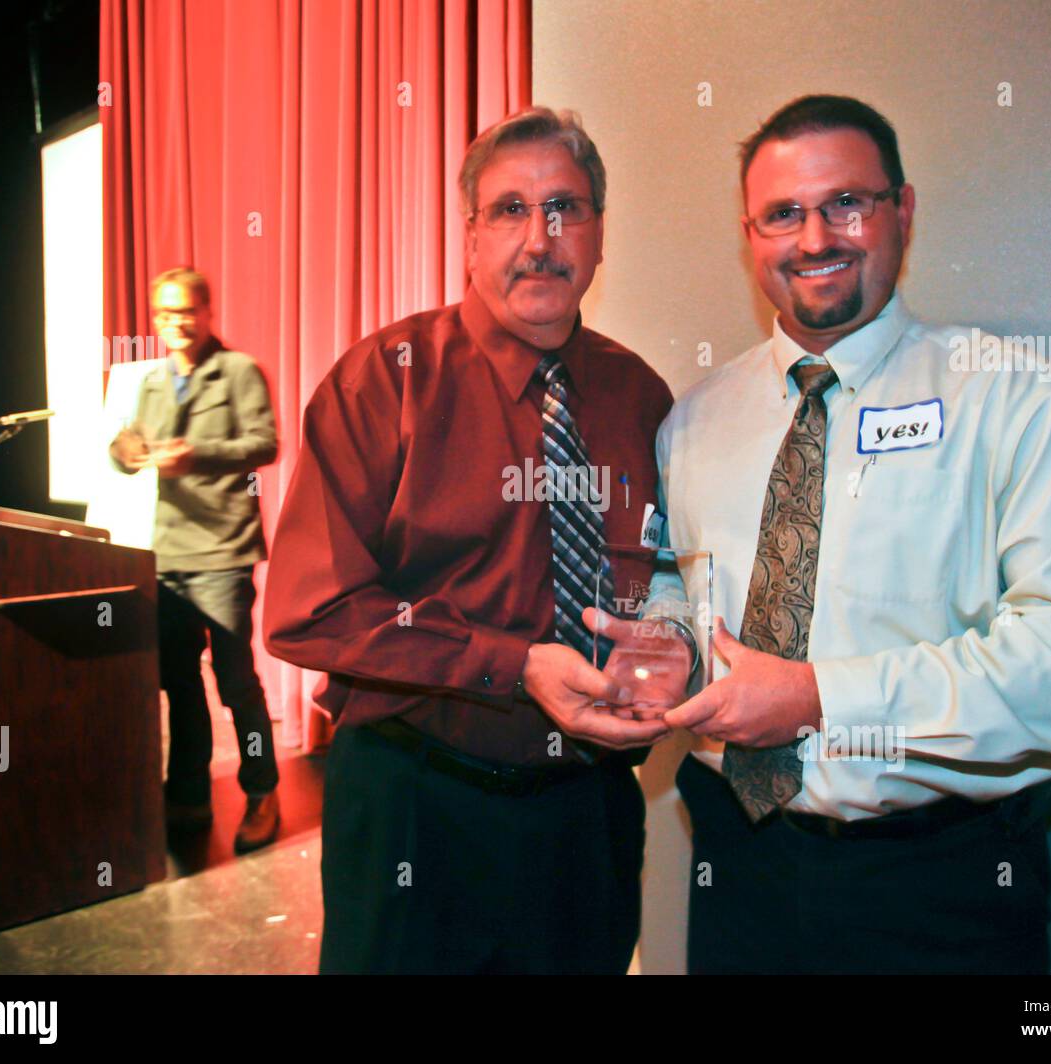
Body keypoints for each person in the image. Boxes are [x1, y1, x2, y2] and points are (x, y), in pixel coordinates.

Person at [645, 95, 1051, 974]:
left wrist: (822, 697)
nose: (815, 238)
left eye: (847, 202)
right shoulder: (693, 421)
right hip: (738, 876)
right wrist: (656, 645)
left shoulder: (1016, 401)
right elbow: (683, 592)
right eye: (783, 214)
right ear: (750, 233)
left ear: (904, 211)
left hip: (940, 893)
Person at [262, 107, 674, 975]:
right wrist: (513, 662)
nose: (541, 238)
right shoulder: (384, 382)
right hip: (418, 806)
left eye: (566, 208)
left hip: (587, 815)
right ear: (471, 237)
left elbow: (672, 577)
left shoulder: (641, 397)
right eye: (511, 211)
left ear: (599, 234)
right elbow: (310, 610)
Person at [109, 267, 282, 854]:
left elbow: (265, 444)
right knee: (176, 683)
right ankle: (187, 793)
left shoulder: (239, 371)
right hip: (168, 554)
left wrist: (198, 455)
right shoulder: (152, 380)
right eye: (164, 314)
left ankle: (263, 791)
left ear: (208, 312)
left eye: (186, 311)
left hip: (224, 553)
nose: (175, 324)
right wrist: (123, 451)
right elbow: (129, 443)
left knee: (235, 683)